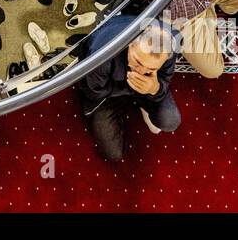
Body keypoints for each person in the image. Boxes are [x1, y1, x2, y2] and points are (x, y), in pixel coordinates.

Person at [77, 19, 180, 163]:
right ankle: (138, 101)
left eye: (151, 69)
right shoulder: (101, 54)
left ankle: (143, 103)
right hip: (107, 94)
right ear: (130, 42)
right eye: (138, 62)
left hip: (143, 88)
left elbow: (165, 79)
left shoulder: (172, 41)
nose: (142, 72)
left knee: (170, 121)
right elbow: (94, 92)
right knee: (114, 154)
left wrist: (154, 88)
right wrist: (134, 87)